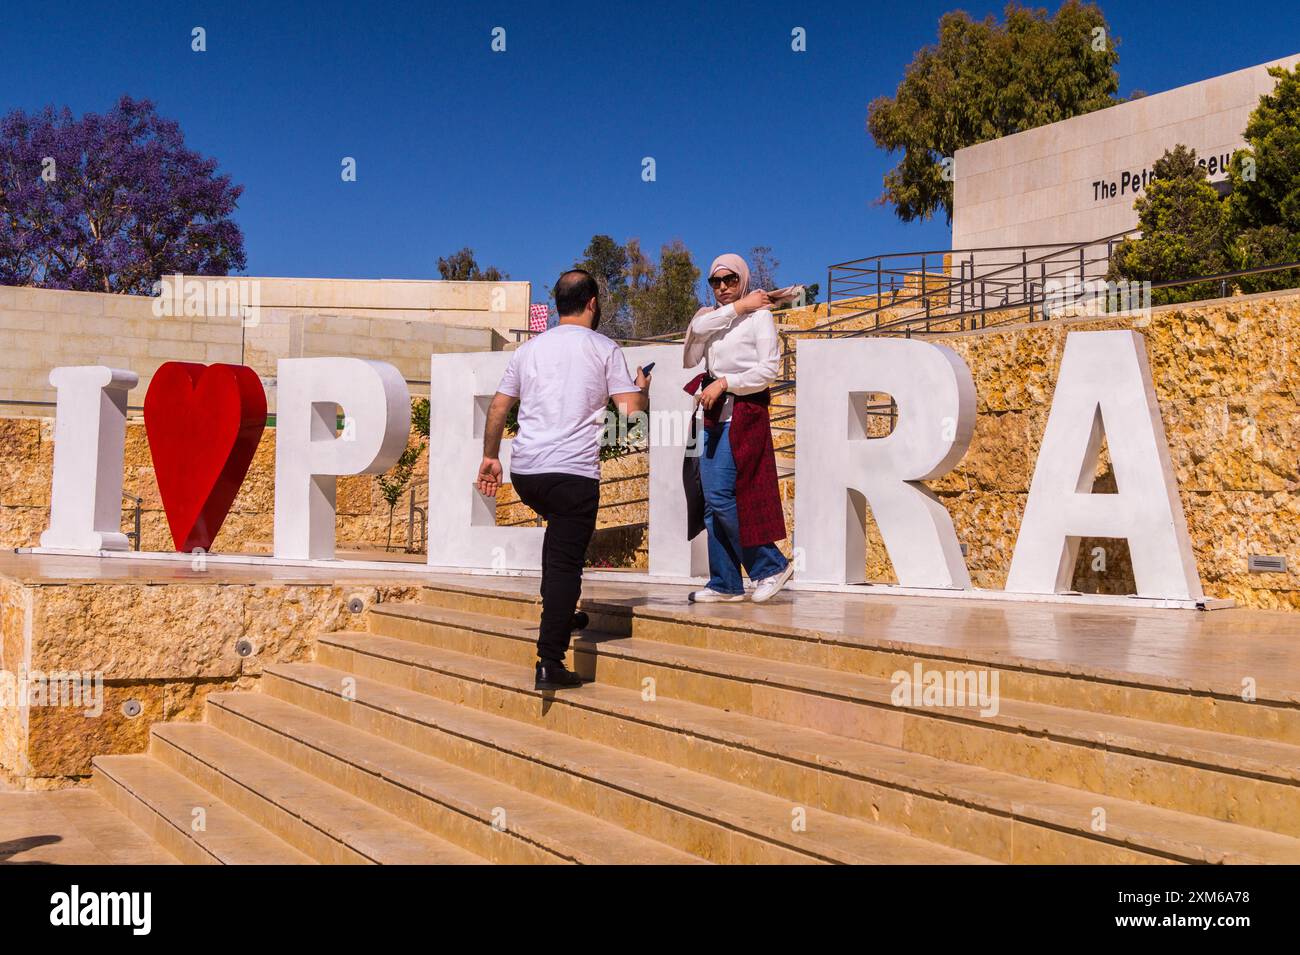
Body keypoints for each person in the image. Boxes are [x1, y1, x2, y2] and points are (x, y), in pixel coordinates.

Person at [477, 270, 650, 690]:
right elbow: (631, 422)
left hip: (527, 473)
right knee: (566, 563)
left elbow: (499, 407)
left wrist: (489, 457)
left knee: (557, 541)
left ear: (558, 304)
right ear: (592, 302)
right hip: (572, 474)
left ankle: (562, 608)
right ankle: (549, 662)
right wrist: (640, 389)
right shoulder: (605, 349)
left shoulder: (529, 350)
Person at [682, 253, 794, 604]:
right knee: (711, 502)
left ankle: (770, 565)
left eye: (731, 280)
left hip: (744, 412)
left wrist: (725, 382)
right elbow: (694, 340)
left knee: (722, 496)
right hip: (715, 415)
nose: (724, 287)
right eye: (716, 281)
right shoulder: (713, 319)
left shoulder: (761, 317)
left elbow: (768, 371)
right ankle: (725, 582)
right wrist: (738, 306)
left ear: (742, 279)